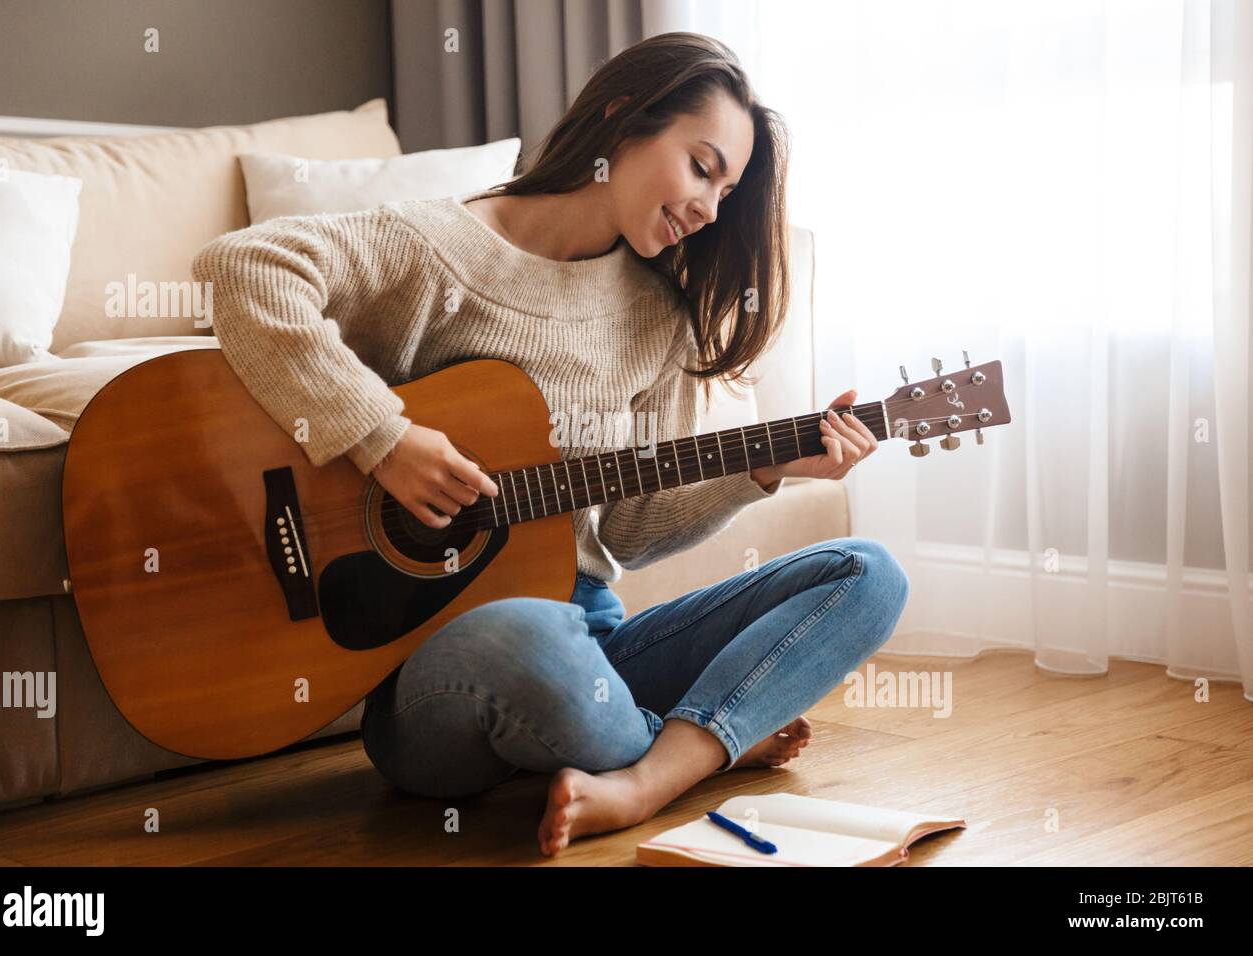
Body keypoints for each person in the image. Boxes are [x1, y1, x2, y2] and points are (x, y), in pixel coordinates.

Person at [191, 31, 909, 858]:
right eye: (702, 166)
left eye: (727, 189)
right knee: (530, 638)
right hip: (443, 676)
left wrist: (761, 468)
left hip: (590, 642)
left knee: (868, 574)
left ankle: (639, 776)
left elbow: (633, 532)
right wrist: (382, 438)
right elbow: (244, 269)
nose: (711, 207)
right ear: (622, 119)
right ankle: (705, 746)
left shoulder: (657, 320)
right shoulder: (435, 249)